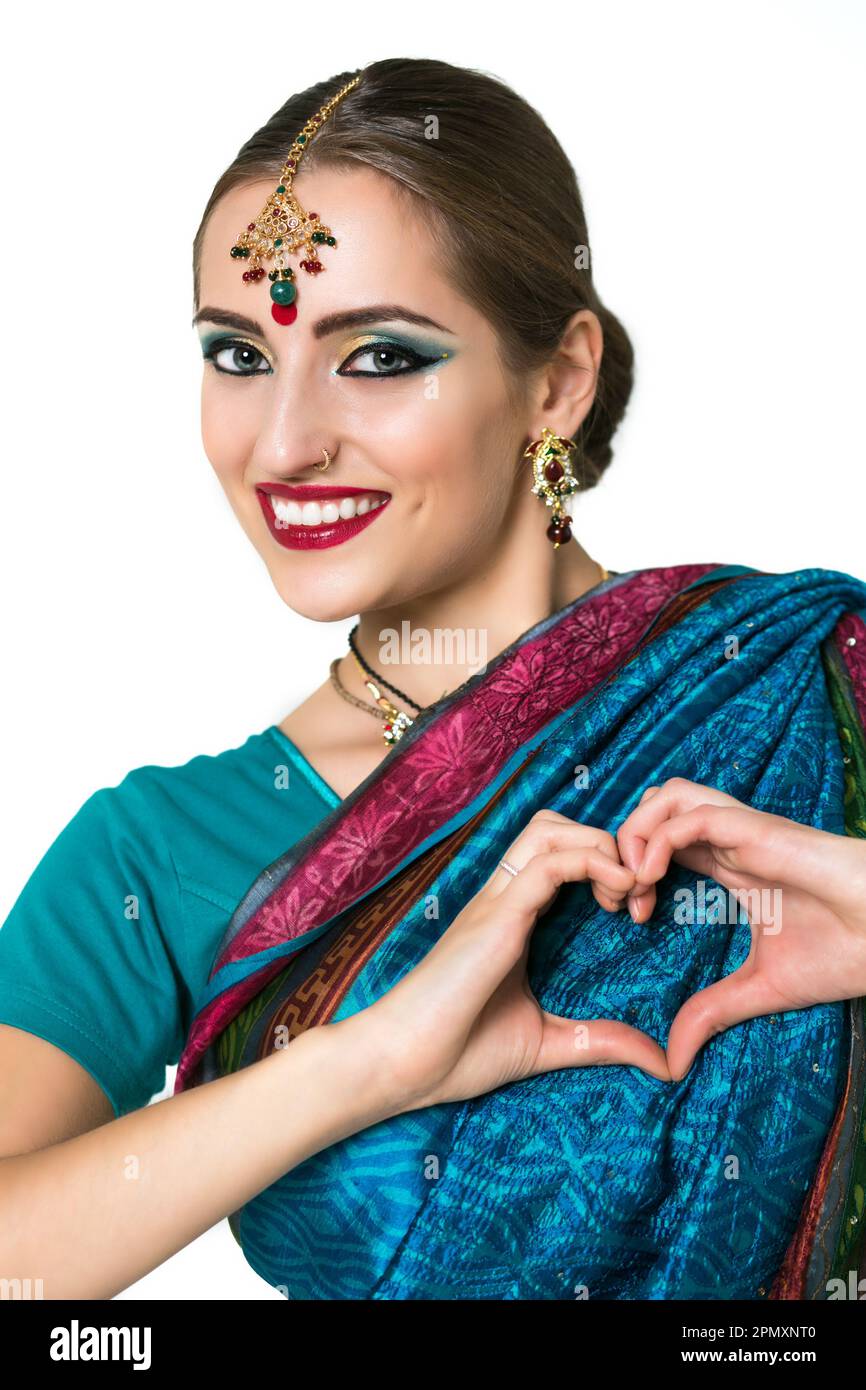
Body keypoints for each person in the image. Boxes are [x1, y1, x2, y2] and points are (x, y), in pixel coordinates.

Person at [1, 56, 865, 1301]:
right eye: (239, 355)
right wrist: (365, 1065)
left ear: (558, 380)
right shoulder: (159, 853)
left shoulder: (812, 690)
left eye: (380, 355)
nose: (284, 443)